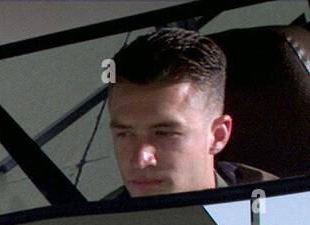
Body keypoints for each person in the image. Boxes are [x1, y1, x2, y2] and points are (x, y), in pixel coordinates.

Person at [107, 28, 276, 197]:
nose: (141, 160)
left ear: (218, 135)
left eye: (163, 133)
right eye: (124, 134)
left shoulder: (282, 210)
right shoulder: (93, 221)